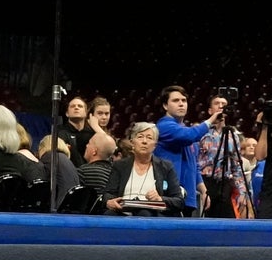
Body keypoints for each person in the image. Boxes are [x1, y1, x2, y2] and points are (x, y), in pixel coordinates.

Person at [155, 84, 222, 217]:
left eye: (184, 100)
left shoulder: (187, 130)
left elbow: (194, 165)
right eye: (176, 100)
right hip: (168, 196)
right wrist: (210, 121)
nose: (181, 104)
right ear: (165, 106)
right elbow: (189, 135)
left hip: (188, 197)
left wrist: (203, 191)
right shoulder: (163, 126)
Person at [102, 121, 185, 217]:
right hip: (122, 212)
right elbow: (108, 194)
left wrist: (160, 199)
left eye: (149, 138)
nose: (144, 141)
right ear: (132, 142)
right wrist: (109, 201)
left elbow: (179, 201)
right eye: (140, 137)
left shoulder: (166, 167)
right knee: (109, 215)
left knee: (144, 214)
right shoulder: (119, 166)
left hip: (151, 215)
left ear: (155, 145)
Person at [197, 92, 248, 218]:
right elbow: (194, 161)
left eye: (224, 104)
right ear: (210, 110)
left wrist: (242, 191)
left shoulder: (233, 136)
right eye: (217, 104)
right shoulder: (201, 132)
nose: (221, 106)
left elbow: (237, 165)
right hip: (205, 182)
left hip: (225, 184)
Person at [38, 133, 81, 209]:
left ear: (43, 147)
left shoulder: (50, 157)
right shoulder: (67, 160)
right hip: (72, 205)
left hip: (59, 206)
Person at [77, 131, 117, 196]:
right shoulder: (116, 174)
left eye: (89, 143)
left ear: (94, 151)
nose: (86, 145)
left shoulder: (83, 172)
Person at [55, 95, 89, 167]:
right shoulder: (59, 132)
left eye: (80, 106)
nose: (76, 108)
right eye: (72, 106)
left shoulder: (91, 133)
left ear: (86, 113)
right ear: (67, 113)